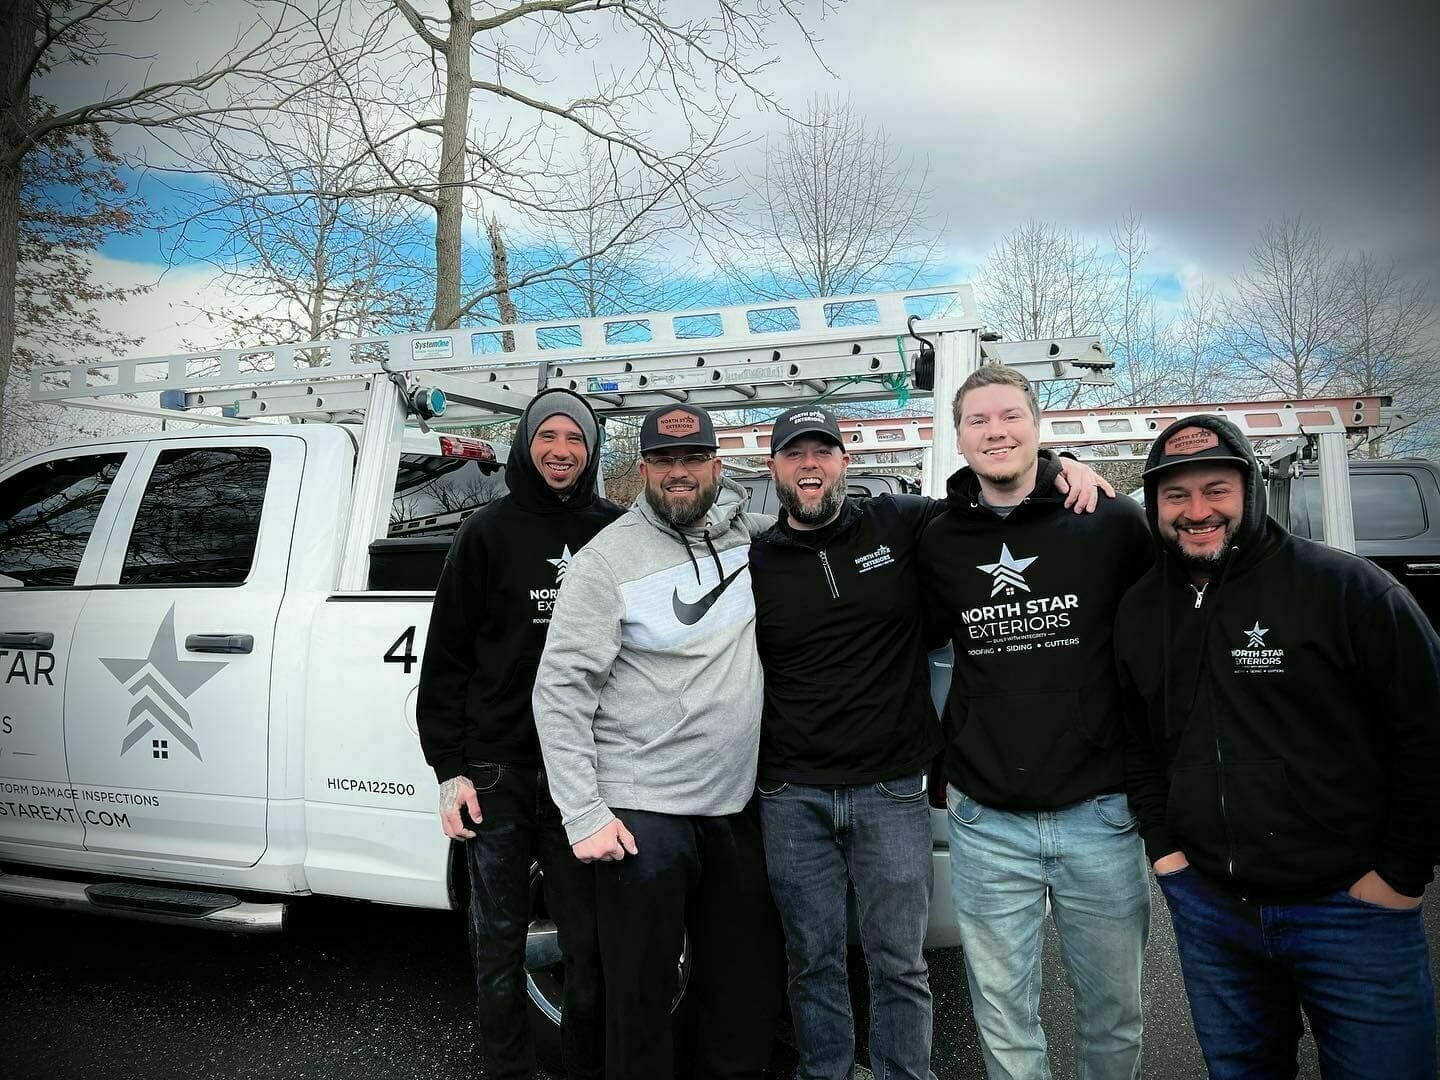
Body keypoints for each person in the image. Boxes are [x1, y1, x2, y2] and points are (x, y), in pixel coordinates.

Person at [749, 402, 1107, 1080]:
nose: (809, 465)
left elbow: (987, 499)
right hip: (790, 793)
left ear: (845, 462)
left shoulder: (900, 521)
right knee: (812, 960)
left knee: (899, 963)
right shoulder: (755, 557)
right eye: (794, 454)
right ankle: (825, 1071)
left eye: (822, 451)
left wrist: (1058, 468)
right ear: (773, 468)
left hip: (890, 790)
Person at [1115, 414, 1440, 1080]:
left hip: (1351, 909)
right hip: (1212, 911)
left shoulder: (1347, 588)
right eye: (1176, 495)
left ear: (1251, 490)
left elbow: (1427, 733)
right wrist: (1167, 853)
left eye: (1216, 489)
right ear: (1154, 505)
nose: (1196, 511)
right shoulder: (1141, 609)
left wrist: (1401, 876)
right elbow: (1136, 742)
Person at [532, 403, 784, 1080]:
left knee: (739, 994)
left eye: (692, 458)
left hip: (734, 809)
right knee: (638, 1004)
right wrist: (584, 814)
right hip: (642, 816)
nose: (679, 472)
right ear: (642, 468)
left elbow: (830, 522)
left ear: (716, 466)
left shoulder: (749, 537)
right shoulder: (604, 562)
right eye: (664, 460)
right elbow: (560, 691)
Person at [917, 365, 1154, 1080]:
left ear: (1037, 425)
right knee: (1004, 1021)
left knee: (1114, 1014)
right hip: (986, 820)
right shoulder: (938, 539)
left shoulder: (1110, 521)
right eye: (979, 420)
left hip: (1100, 813)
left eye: (1010, 416)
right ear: (959, 437)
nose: (996, 432)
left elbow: (1170, 632)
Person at [416, 388, 621, 1080]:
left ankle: (585, 1067)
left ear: (592, 449)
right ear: (525, 444)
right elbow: (446, 660)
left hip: (583, 772)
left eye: (575, 438)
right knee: (498, 940)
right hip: (496, 770)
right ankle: (507, 1070)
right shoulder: (485, 532)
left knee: (588, 943)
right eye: (547, 437)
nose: (561, 451)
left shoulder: (615, 531)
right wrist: (450, 771)